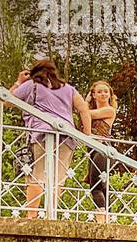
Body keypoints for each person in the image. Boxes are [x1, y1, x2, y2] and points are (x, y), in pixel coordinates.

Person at [9, 60, 92, 219]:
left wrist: (19, 82)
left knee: (37, 175)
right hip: (66, 135)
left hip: (41, 133)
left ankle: (31, 215)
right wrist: (86, 135)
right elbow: (83, 110)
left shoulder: (31, 85)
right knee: (58, 177)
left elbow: (6, 100)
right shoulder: (68, 88)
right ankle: (51, 215)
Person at [84, 81, 117, 224]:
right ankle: (105, 217)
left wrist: (84, 102)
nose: (103, 94)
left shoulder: (110, 110)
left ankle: (102, 218)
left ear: (110, 95)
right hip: (92, 150)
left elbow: (86, 114)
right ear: (94, 95)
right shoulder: (92, 109)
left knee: (96, 186)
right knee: (100, 186)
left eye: (105, 91)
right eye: (99, 92)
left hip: (103, 148)